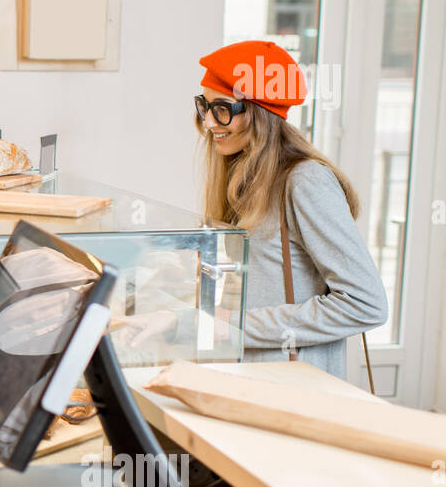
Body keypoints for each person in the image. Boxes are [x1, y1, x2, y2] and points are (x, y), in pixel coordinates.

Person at [121, 40, 387, 380]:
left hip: (291, 392)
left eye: (222, 108)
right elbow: (246, 300)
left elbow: (365, 305)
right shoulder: (245, 178)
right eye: (203, 106)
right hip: (248, 381)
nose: (207, 123)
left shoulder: (304, 182)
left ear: (259, 113)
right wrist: (174, 318)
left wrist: (231, 325)